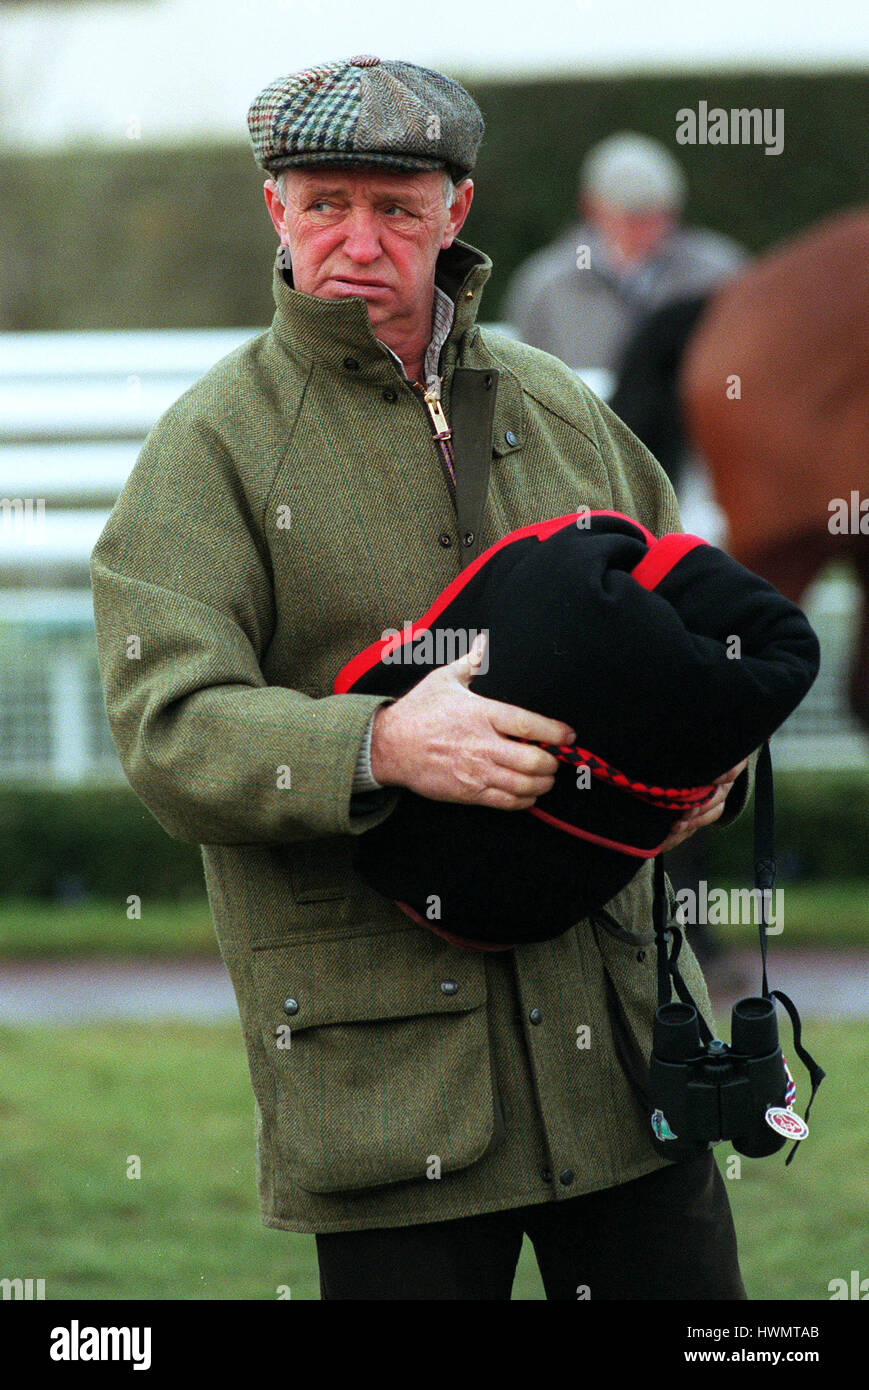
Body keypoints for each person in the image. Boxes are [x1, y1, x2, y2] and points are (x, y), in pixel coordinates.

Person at [90, 56, 750, 1301]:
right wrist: (380, 745)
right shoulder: (208, 446)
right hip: (389, 1093)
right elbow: (165, 725)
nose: (359, 241)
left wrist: (709, 770)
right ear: (274, 208)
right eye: (324, 204)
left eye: (396, 208)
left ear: (456, 210)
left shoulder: (566, 412)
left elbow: (698, 644)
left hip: (622, 1066)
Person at [502, 131, 746, 374]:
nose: (648, 231)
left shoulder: (718, 273)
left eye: (659, 216)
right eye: (632, 219)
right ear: (591, 208)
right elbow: (523, 376)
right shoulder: (546, 284)